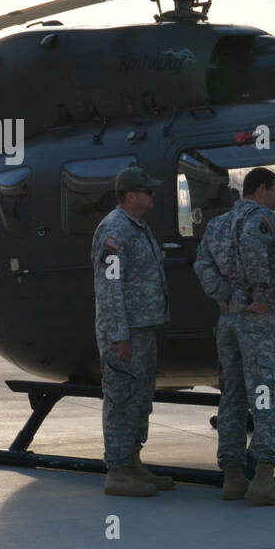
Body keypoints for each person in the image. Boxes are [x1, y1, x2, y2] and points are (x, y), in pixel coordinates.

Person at [193, 167, 275, 505]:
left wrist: (229, 297)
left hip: (228, 322)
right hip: (258, 325)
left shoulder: (218, 224)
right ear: (261, 190)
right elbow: (253, 250)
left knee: (233, 397)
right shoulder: (261, 218)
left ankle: (232, 478)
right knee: (269, 392)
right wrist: (259, 296)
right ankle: (264, 480)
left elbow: (202, 265)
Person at [91, 166, 174, 497]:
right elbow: (109, 287)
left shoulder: (137, 228)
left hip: (143, 331)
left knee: (140, 399)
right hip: (125, 334)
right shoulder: (114, 230)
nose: (153, 195)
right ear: (130, 196)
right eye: (148, 191)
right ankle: (117, 471)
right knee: (121, 400)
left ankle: (132, 461)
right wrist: (119, 335)